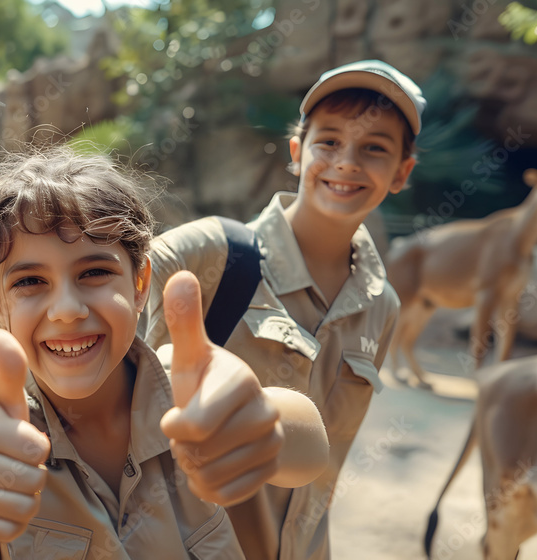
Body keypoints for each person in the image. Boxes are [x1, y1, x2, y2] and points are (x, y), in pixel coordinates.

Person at [0, 147, 328, 559]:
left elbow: (309, 450)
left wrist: (264, 425)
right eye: (30, 281)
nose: (66, 309)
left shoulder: (190, 395)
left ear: (140, 285)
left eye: (95, 272)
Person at [140, 59, 423, 560]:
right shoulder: (206, 253)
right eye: (329, 141)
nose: (346, 161)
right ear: (297, 152)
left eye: (375, 148)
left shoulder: (384, 306)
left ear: (402, 171)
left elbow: (326, 471)